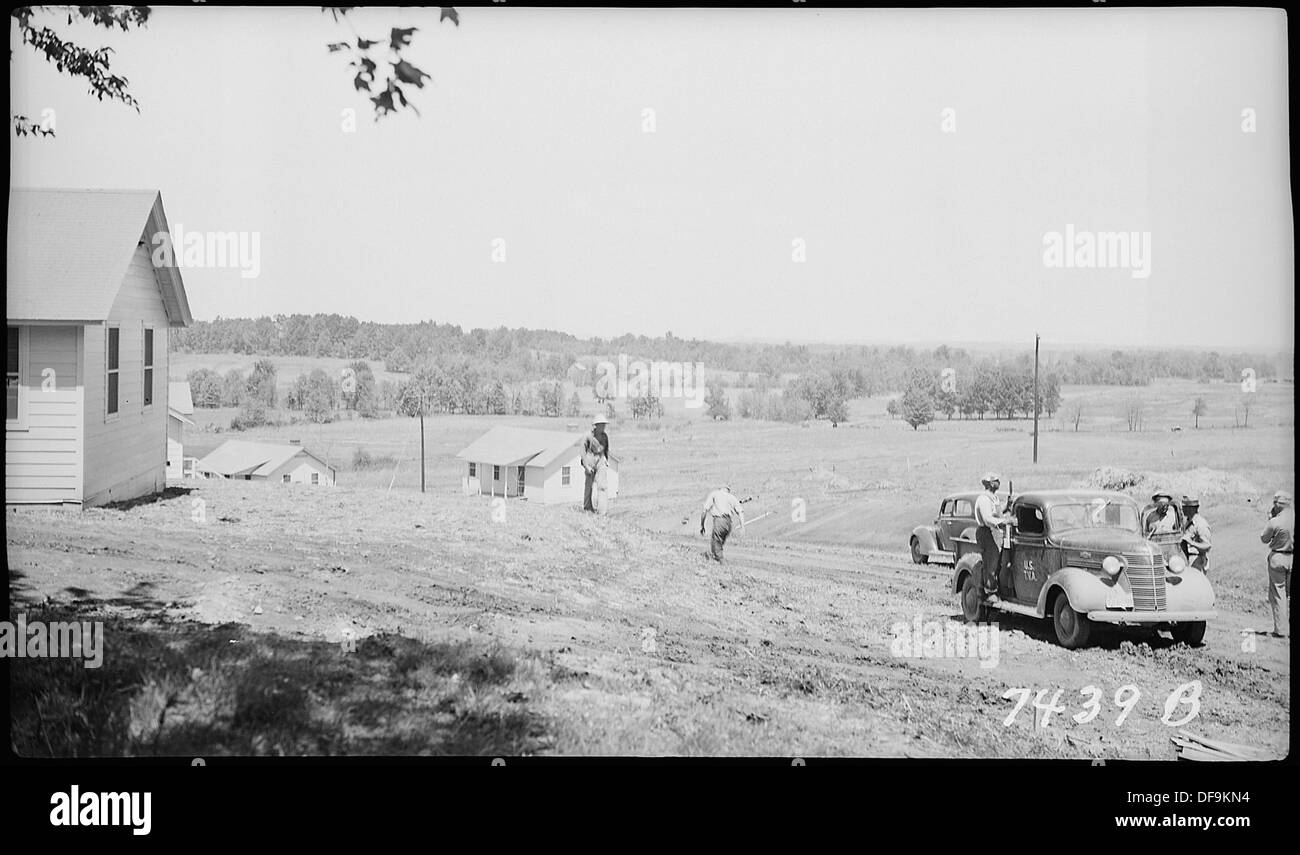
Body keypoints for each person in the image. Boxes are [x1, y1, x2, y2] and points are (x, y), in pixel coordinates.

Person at [1260, 490, 1294, 638]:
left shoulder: (1275, 522)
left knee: (1279, 594)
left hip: (1278, 557)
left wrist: (1270, 519)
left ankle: (1280, 630)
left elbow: (1264, 539)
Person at [973, 472, 1011, 600]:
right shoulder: (984, 499)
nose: (998, 483)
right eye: (996, 481)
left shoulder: (993, 497)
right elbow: (988, 518)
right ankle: (990, 591)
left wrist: (1007, 505)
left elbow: (997, 512)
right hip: (987, 532)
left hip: (995, 532)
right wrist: (1003, 522)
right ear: (990, 483)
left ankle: (996, 587)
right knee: (991, 562)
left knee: (998, 562)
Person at [700, 485, 746, 563]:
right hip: (728, 524)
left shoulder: (715, 494)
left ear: (720, 488)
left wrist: (702, 525)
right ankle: (718, 560)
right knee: (719, 544)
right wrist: (742, 527)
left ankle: (721, 564)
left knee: (716, 543)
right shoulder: (732, 497)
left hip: (719, 521)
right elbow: (740, 512)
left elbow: (705, 510)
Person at [581, 415, 611, 513]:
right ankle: (587, 508)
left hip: (601, 459)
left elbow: (606, 449)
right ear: (595, 426)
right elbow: (582, 452)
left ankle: (602, 510)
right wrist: (586, 466)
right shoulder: (587, 436)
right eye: (601, 425)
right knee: (589, 485)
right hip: (590, 458)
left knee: (602, 485)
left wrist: (606, 460)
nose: (603, 427)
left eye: (604, 425)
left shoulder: (604, 436)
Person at [1179, 495, 1212, 573]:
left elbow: (1207, 546)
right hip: (1187, 560)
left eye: (1184, 507)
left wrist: (1191, 542)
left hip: (1197, 561)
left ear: (1191, 509)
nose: (1182, 509)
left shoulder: (1201, 524)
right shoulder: (1188, 522)